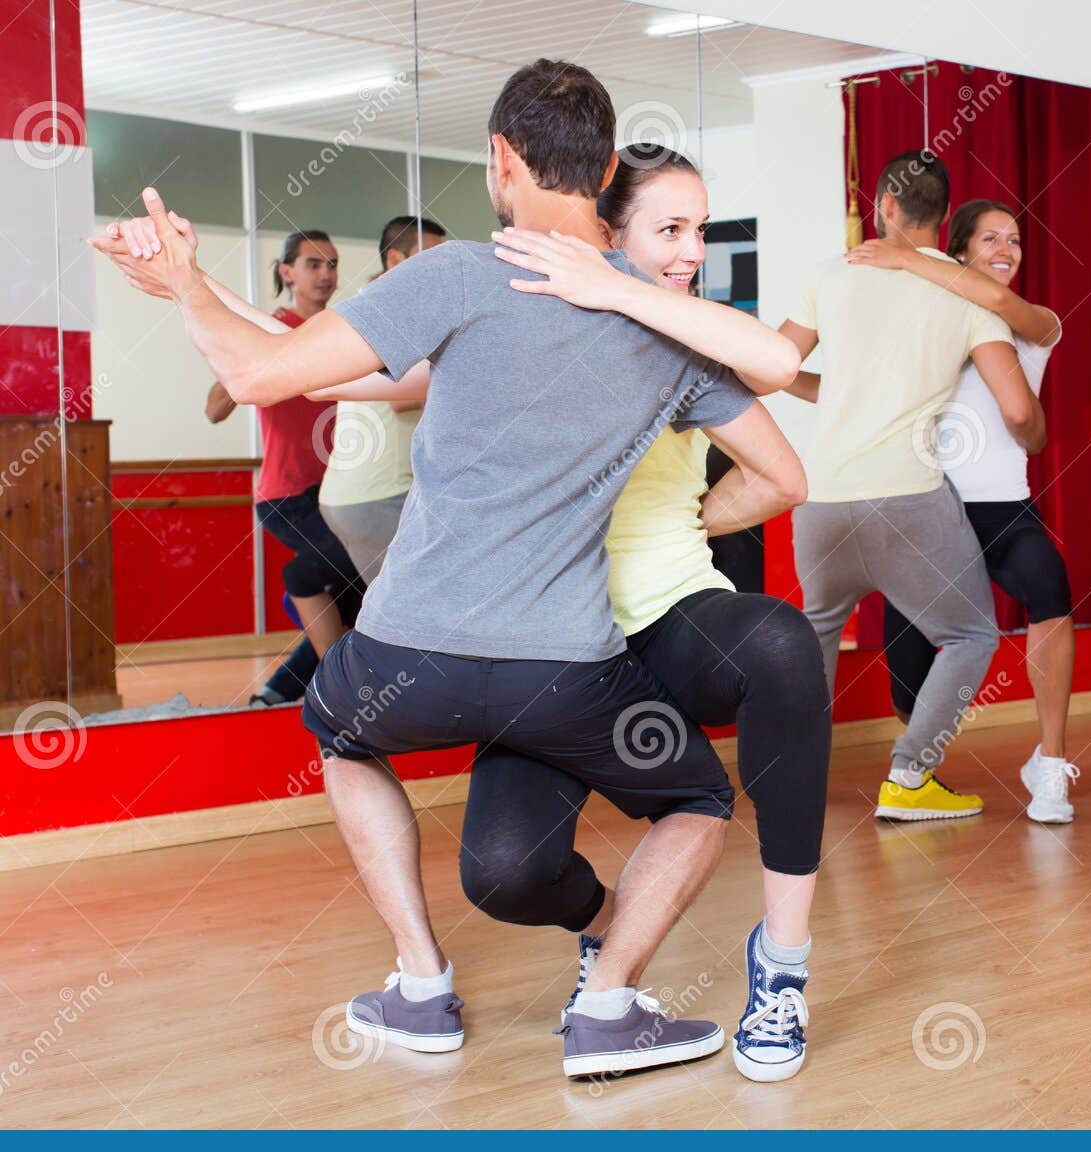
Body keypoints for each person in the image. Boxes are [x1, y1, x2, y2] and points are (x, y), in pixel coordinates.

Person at [91, 58, 805, 1080]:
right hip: (560, 667)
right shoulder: (660, 323)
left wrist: (178, 285)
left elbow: (255, 373)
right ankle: (608, 1005)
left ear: (498, 159)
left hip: (404, 651)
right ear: (603, 170)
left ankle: (420, 984)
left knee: (337, 732)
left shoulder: (455, 274)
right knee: (695, 800)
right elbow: (780, 436)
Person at [483, 145, 827, 1082]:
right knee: (505, 873)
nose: (692, 251)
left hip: (673, 615)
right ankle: (607, 934)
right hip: (553, 642)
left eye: (700, 230)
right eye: (669, 229)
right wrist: (196, 296)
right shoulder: (529, 333)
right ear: (607, 231)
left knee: (785, 646)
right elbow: (345, 370)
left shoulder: (687, 338)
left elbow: (783, 475)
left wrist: (690, 523)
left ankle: (782, 966)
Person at [780, 150, 1045, 823]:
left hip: (820, 501)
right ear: (945, 216)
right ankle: (909, 776)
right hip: (906, 499)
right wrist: (1035, 434)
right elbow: (1016, 408)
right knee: (971, 636)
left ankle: (793, 786)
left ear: (886, 208)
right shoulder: (964, 291)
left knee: (816, 632)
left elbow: (773, 368)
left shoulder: (830, 276)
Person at [845, 199, 1077, 823]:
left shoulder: (1036, 322)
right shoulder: (926, 326)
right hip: (927, 512)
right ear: (963, 251)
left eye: (1016, 240)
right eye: (991, 239)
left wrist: (906, 257)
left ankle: (1050, 766)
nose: (1006, 250)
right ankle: (918, 776)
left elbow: (1000, 304)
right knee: (907, 676)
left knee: (1047, 582)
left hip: (1003, 510)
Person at [202, 231, 364, 708]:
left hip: (339, 492)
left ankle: (278, 693)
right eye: (313, 264)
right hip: (287, 497)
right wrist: (251, 360)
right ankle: (340, 686)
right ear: (286, 272)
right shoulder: (270, 330)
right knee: (342, 569)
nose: (326, 274)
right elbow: (214, 409)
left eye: (332, 264)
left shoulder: (340, 331)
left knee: (355, 595)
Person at [312, 216, 447, 585]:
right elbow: (401, 397)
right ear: (395, 260)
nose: (441, 267)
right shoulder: (398, 305)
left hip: (347, 495)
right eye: (430, 255)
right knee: (429, 602)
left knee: (391, 616)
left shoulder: (368, 301)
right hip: (379, 493)